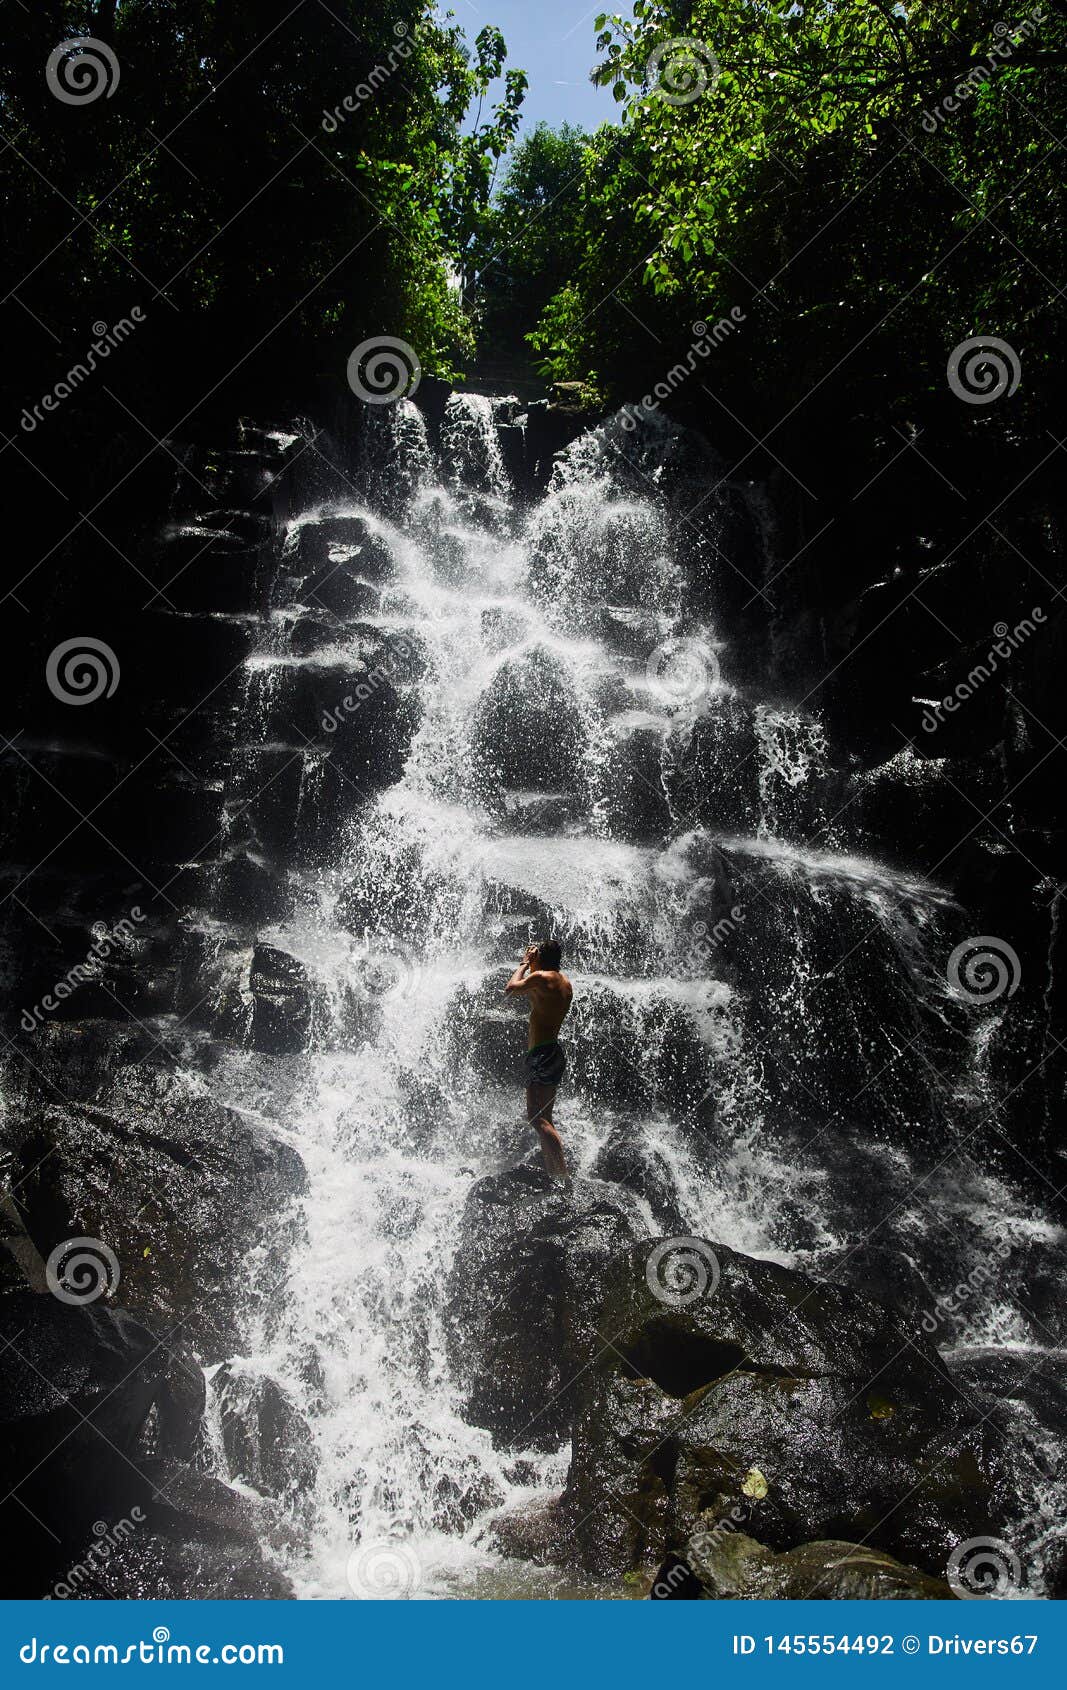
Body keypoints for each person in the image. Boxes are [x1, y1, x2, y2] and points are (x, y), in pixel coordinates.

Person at [504, 939, 573, 1183]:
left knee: (536, 1117)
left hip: (541, 1055)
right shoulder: (563, 981)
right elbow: (538, 989)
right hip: (553, 1052)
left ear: (541, 957)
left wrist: (524, 963)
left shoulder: (542, 978)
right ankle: (554, 1173)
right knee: (546, 1118)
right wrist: (536, 963)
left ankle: (563, 1175)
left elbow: (511, 987)